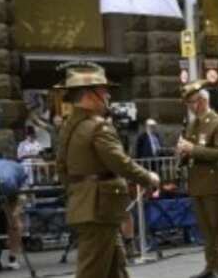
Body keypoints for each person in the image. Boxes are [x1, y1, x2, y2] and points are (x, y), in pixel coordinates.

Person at [54, 62, 160, 278]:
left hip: (89, 205)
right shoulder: (98, 126)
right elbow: (120, 162)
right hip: (100, 208)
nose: (108, 97)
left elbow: (61, 168)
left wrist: (79, 191)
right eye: (104, 92)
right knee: (92, 271)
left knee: (115, 267)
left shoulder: (69, 126)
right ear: (90, 96)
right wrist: (148, 177)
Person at [176, 81, 218, 278]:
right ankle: (210, 266)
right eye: (188, 103)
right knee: (206, 230)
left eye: (191, 102)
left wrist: (192, 149)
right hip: (197, 183)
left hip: (213, 183)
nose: (190, 107)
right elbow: (191, 152)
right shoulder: (193, 124)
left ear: (201, 101)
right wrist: (183, 152)